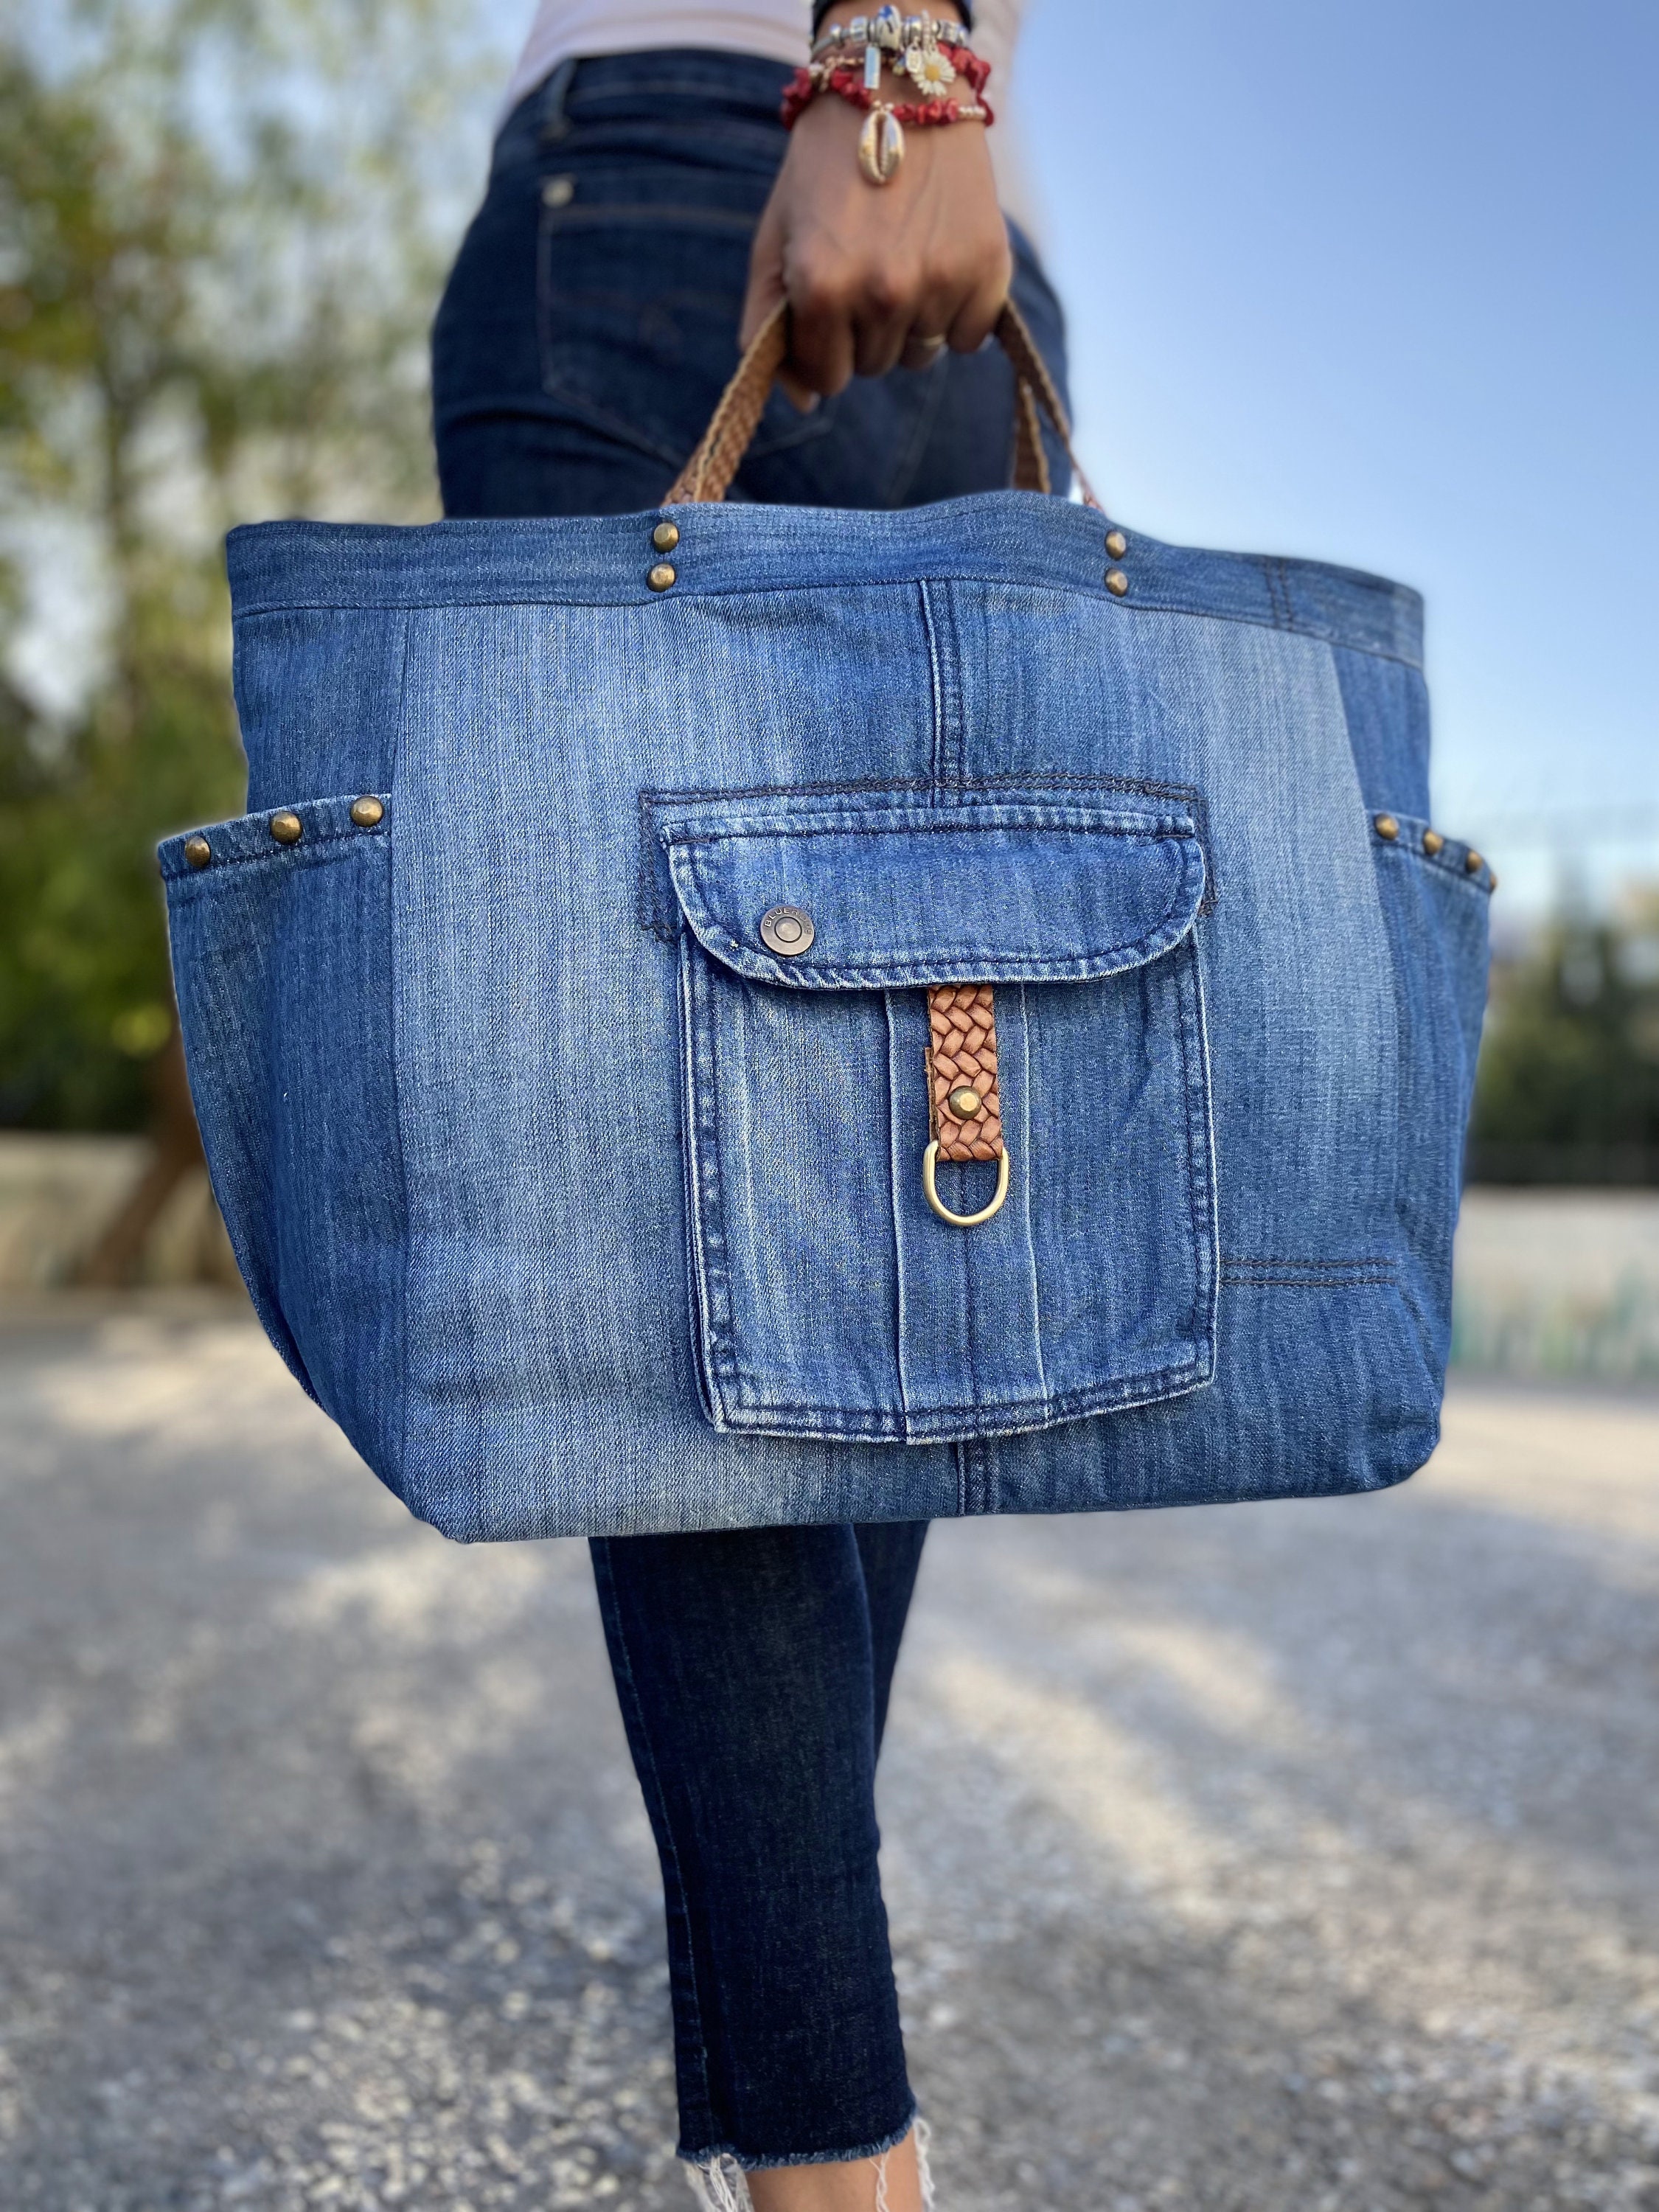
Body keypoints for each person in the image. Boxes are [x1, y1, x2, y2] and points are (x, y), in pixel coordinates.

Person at [431, 4, 1058, 2204]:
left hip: (738, 172)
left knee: (670, 1190)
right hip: (953, 241)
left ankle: (824, 2157)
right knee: (854, 1212)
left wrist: (888, 73)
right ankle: (809, 2109)